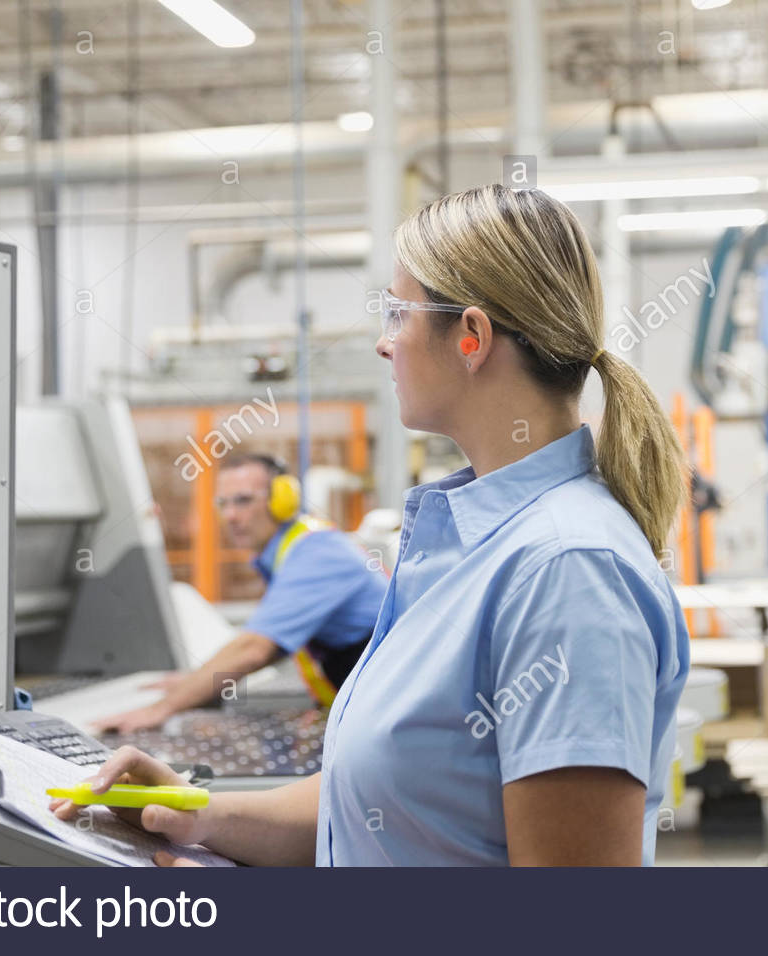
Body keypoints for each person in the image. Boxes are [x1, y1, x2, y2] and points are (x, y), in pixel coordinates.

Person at [57, 184, 692, 866]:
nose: (384, 344)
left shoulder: (566, 572)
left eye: (398, 313)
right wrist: (198, 815)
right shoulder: (471, 542)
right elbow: (380, 806)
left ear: (472, 337)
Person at [96, 454, 387, 733]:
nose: (231, 516)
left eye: (244, 500)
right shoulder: (291, 550)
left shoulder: (317, 553)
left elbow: (253, 648)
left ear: (284, 501)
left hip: (383, 708)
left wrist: (158, 710)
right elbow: (274, 643)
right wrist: (196, 682)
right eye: (223, 503)